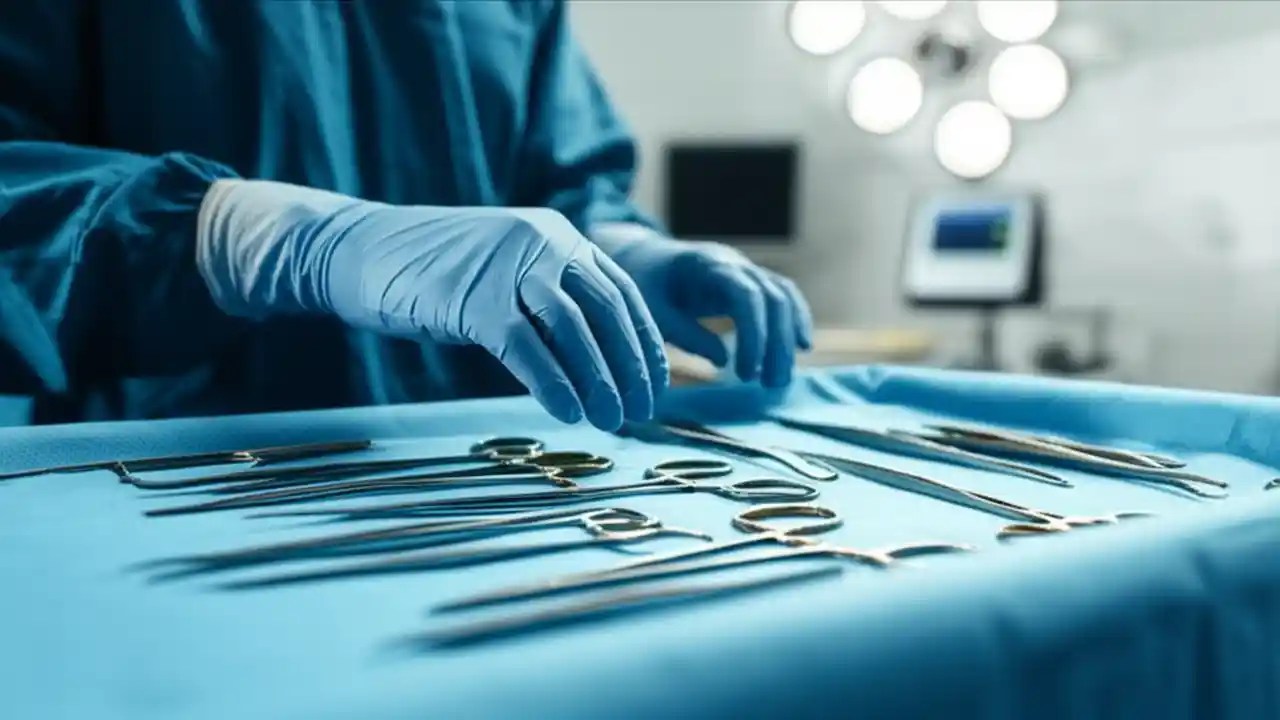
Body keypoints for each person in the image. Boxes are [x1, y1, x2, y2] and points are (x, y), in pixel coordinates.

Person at [0, 1, 812, 430]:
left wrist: (622, 251)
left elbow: (558, 175)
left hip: (487, 473)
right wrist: (242, 239)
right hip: (186, 475)